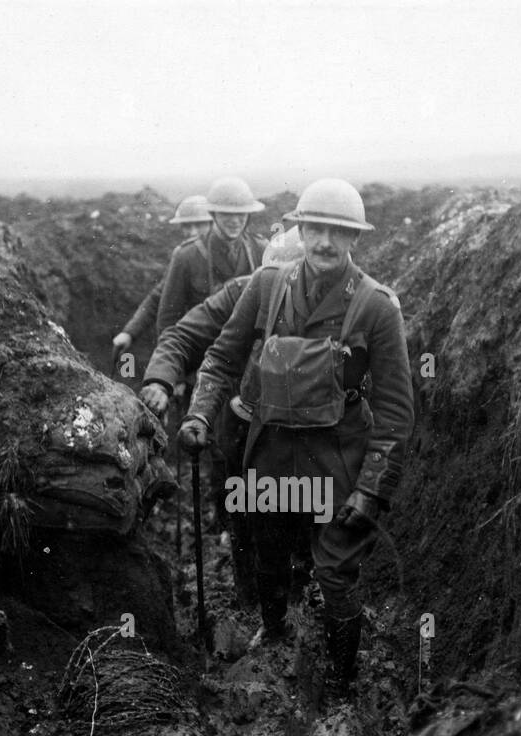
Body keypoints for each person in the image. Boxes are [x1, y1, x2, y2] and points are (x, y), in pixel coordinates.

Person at [178, 179, 414, 699]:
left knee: (334, 572)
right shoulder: (267, 286)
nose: (325, 242)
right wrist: (200, 414)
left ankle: (340, 684)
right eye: (316, 229)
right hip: (272, 451)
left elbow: (396, 412)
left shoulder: (377, 307)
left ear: (356, 239)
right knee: (268, 549)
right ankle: (275, 627)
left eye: (339, 232)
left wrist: (371, 489)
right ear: (300, 230)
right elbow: (220, 356)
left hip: (338, 457)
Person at [140, 228, 306, 607]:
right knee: (245, 516)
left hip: (310, 434)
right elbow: (182, 336)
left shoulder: (341, 304)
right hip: (244, 425)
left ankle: (300, 608)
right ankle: (252, 602)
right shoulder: (240, 292)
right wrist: (162, 381)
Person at [155, 176, 266, 337]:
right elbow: (168, 320)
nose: (235, 220)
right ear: (213, 214)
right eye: (226, 214)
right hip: (201, 351)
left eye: (241, 213)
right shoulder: (187, 256)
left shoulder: (260, 249)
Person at [111, 195, 213, 360]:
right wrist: (129, 332)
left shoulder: (229, 255)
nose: (192, 232)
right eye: (187, 225)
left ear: (212, 223)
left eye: (199, 224)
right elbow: (158, 297)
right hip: (198, 342)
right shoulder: (185, 259)